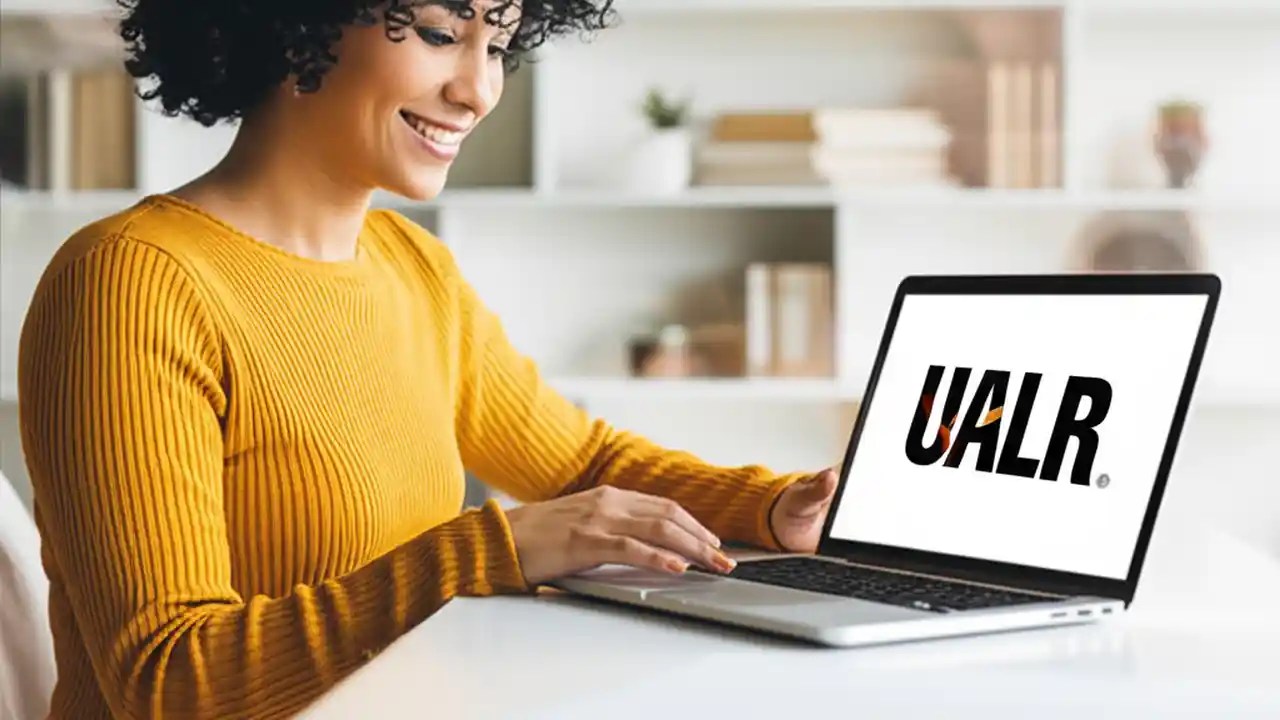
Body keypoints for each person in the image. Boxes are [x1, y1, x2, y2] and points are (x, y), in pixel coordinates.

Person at [17, 2, 839, 718]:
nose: (478, 91)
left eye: (499, 46)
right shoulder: (132, 281)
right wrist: (489, 554)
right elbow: (167, 681)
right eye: (444, 34)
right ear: (298, 23)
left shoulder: (413, 267)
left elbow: (581, 465)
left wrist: (773, 508)